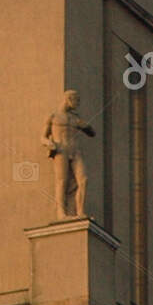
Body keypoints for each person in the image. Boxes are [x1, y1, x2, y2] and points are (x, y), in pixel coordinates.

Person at [41, 90, 97, 219]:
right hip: (61, 150)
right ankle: (61, 213)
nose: (78, 104)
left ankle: (80, 212)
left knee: (83, 180)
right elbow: (42, 137)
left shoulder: (75, 118)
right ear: (69, 99)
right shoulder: (53, 116)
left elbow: (92, 133)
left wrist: (86, 126)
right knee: (62, 181)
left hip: (75, 151)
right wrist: (49, 143)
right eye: (76, 100)